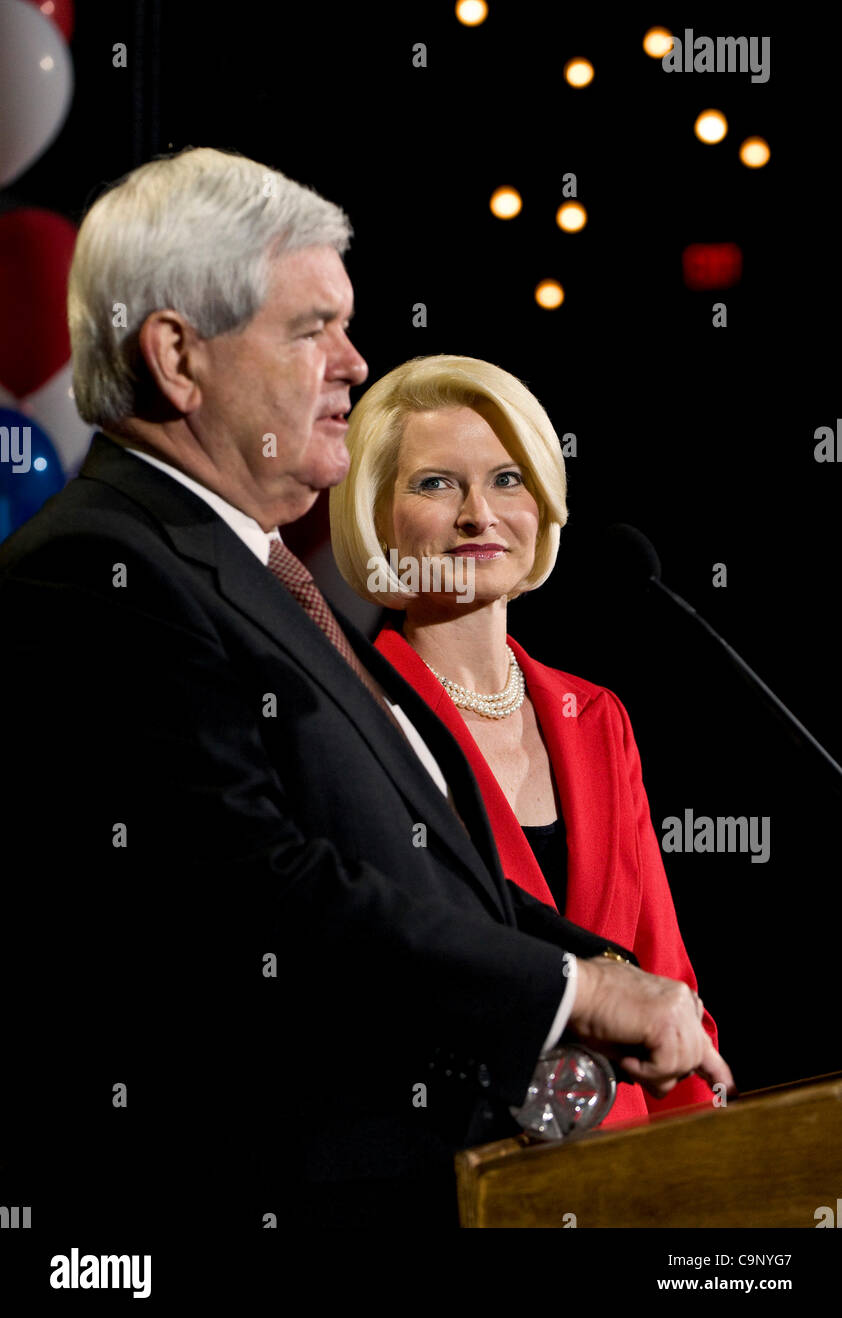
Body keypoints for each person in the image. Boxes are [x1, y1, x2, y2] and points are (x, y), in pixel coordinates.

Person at [0, 149, 732, 1239]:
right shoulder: (101, 571)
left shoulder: (261, 581)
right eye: (312, 328)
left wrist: (604, 970)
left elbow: (430, 867)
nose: (353, 361)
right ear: (177, 357)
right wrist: (574, 995)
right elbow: (253, 891)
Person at [329, 353, 721, 1126]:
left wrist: (710, 1156)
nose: (481, 513)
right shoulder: (354, 716)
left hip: (636, 1172)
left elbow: (665, 973)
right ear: (377, 514)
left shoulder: (598, 716)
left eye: (509, 479)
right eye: (437, 483)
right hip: (458, 1170)